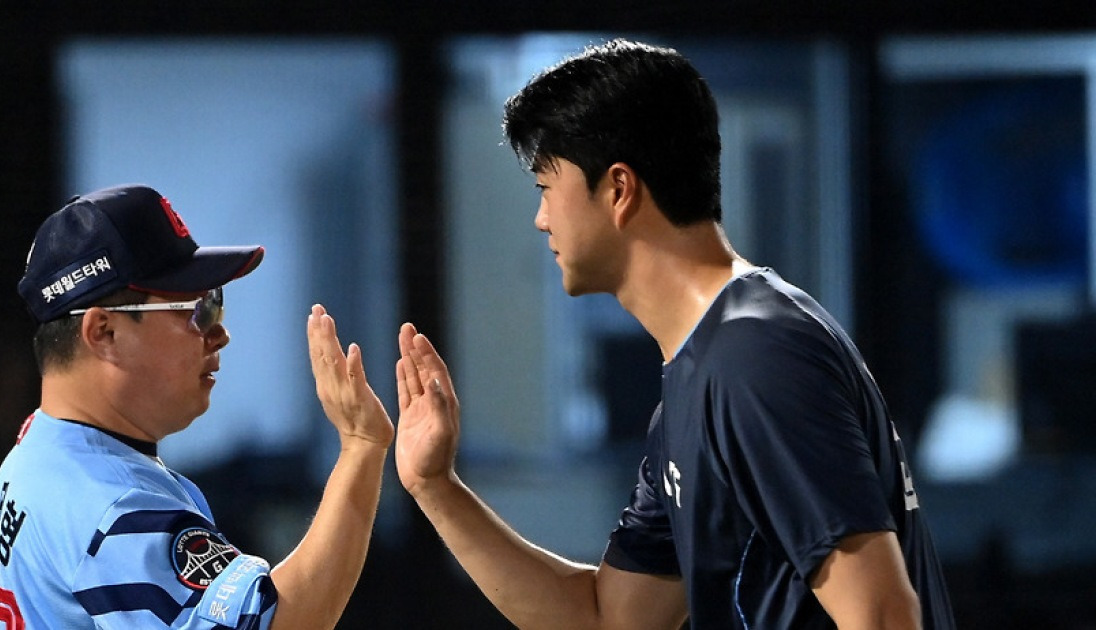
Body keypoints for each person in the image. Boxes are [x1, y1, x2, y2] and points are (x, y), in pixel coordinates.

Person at [393, 39, 955, 629]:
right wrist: (436, 487)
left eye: (545, 189)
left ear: (617, 189)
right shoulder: (708, 369)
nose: (541, 219)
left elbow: (885, 615)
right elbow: (609, 619)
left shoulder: (754, 358)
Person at [0, 184, 393, 629]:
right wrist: (361, 447)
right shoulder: (116, 505)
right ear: (104, 333)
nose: (218, 333)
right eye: (194, 308)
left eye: (214, 303)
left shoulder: (37, 453)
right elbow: (281, 623)